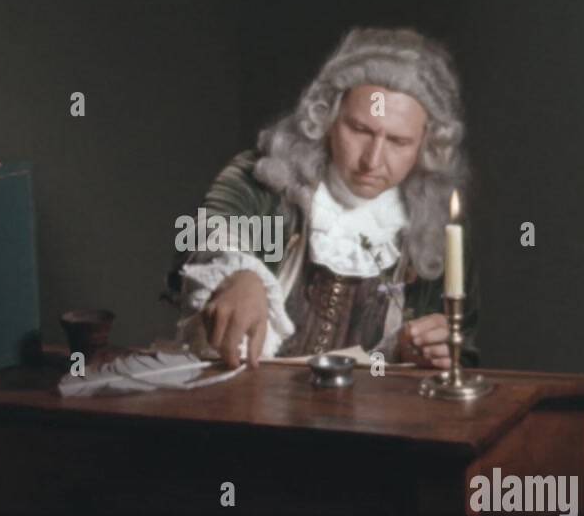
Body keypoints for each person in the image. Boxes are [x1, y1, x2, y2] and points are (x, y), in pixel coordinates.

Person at [166, 27, 479, 370]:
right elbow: (209, 233)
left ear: (426, 144)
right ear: (327, 117)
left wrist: (421, 349)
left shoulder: (431, 227)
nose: (372, 161)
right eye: (360, 130)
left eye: (398, 142)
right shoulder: (270, 179)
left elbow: (462, 352)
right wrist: (238, 275)